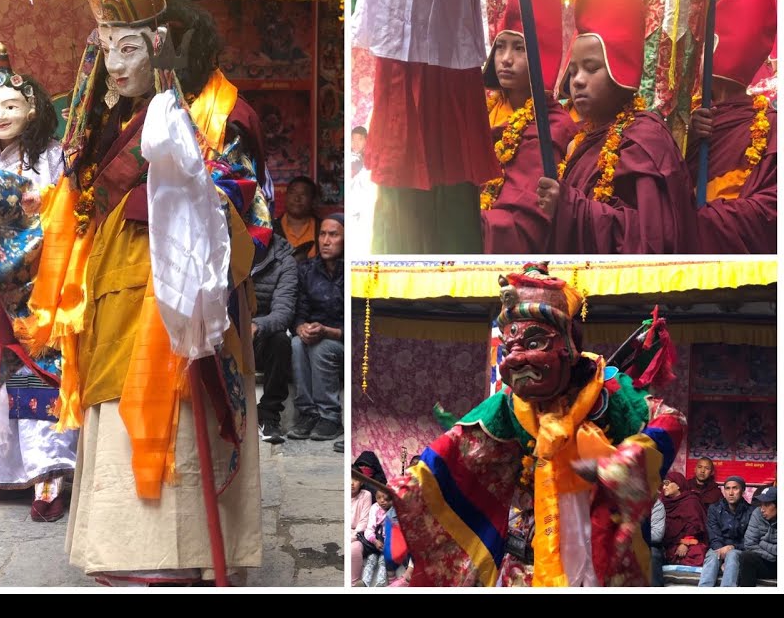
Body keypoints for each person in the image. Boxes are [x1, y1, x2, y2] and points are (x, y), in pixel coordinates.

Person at [31, 0, 271, 585]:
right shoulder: (117, 116)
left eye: (128, 47)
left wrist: (188, 172)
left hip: (185, 284)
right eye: (105, 47)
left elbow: (241, 204)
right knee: (116, 395)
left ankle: (182, 553)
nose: (113, 64)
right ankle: (123, 547)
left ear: (162, 46)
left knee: (179, 405)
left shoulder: (222, 113)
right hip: (115, 280)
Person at [386, 262, 686, 586]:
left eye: (533, 344)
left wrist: (624, 464)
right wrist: (414, 485)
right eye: (509, 346)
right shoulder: (510, 405)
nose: (515, 358)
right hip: (526, 564)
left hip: (601, 557)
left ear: (568, 345)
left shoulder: (607, 392)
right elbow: (458, 446)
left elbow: (670, 420)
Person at [0, 45, 77, 521]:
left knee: (38, 371)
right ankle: (5, 469)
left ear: (33, 108)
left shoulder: (53, 158)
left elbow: (56, 209)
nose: (0, 115)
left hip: (39, 287)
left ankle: (49, 475)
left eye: (10, 105)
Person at [538, 0, 694, 253]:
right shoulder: (583, 140)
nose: (578, 80)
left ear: (620, 71)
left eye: (592, 68)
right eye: (575, 69)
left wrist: (570, 206)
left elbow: (654, 241)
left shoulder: (644, 142)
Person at [477, 0, 578, 253]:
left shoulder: (556, 124)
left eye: (519, 49)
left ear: (540, 56)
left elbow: (532, 213)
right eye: (501, 47)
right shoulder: (483, 110)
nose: (505, 60)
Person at [686, 0, 777, 254]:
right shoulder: (690, 117)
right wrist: (686, 142)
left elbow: (773, 206)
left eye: (702, 47)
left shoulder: (771, 126)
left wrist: (708, 219)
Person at [287, 214, 345, 442]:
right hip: (314, 338)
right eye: (322, 234)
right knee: (295, 344)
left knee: (322, 347)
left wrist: (328, 331)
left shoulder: (354, 272)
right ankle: (308, 413)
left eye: (334, 235)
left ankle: (330, 416)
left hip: (344, 344)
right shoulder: (307, 270)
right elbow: (298, 310)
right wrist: (301, 327)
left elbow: (360, 324)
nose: (326, 241)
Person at [252, 231, 298, 444]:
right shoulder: (224, 250)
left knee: (281, 341)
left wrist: (256, 326)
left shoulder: (284, 261)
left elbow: (283, 312)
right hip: (228, 331)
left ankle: (269, 416)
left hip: (260, 335)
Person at [702, 475, 754, 586]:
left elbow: (750, 540)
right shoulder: (714, 509)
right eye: (727, 488)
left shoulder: (751, 511)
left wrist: (732, 547)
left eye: (735, 488)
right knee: (712, 556)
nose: (731, 493)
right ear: (724, 491)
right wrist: (722, 551)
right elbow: (714, 535)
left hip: (739, 549)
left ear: (743, 491)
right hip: (719, 547)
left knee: (733, 555)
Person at [350, 452, 387, 586]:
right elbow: (370, 526)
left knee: (383, 561)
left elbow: (364, 522)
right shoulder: (374, 506)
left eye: (355, 479)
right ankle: (362, 584)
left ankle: (379, 584)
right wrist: (374, 540)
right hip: (370, 538)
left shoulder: (369, 493)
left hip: (372, 539)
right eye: (361, 466)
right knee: (371, 560)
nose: (352, 483)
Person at [661, 472, 708, 567]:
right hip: (670, 543)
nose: (664, 487)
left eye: (667, 483)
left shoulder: (691, 501)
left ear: (678, 485)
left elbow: (695, 526)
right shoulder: (662, 502)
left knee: (698, 553)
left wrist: (685, 544)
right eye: (663, 484)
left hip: (691, 542)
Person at [273, 176, 321, 261]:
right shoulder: (271, 229)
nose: (297, 199)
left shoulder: (322, 229)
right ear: (286, 196)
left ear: (313, 200)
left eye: (303, 194)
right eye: (292, 193)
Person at [738, 485, 777, 586]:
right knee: (746, 557)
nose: (762, 509)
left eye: (767, 504)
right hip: (767, 563)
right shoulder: (757, 514)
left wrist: (762, 543)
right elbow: (749, 544)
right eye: (761, 504)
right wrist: (772, 557)